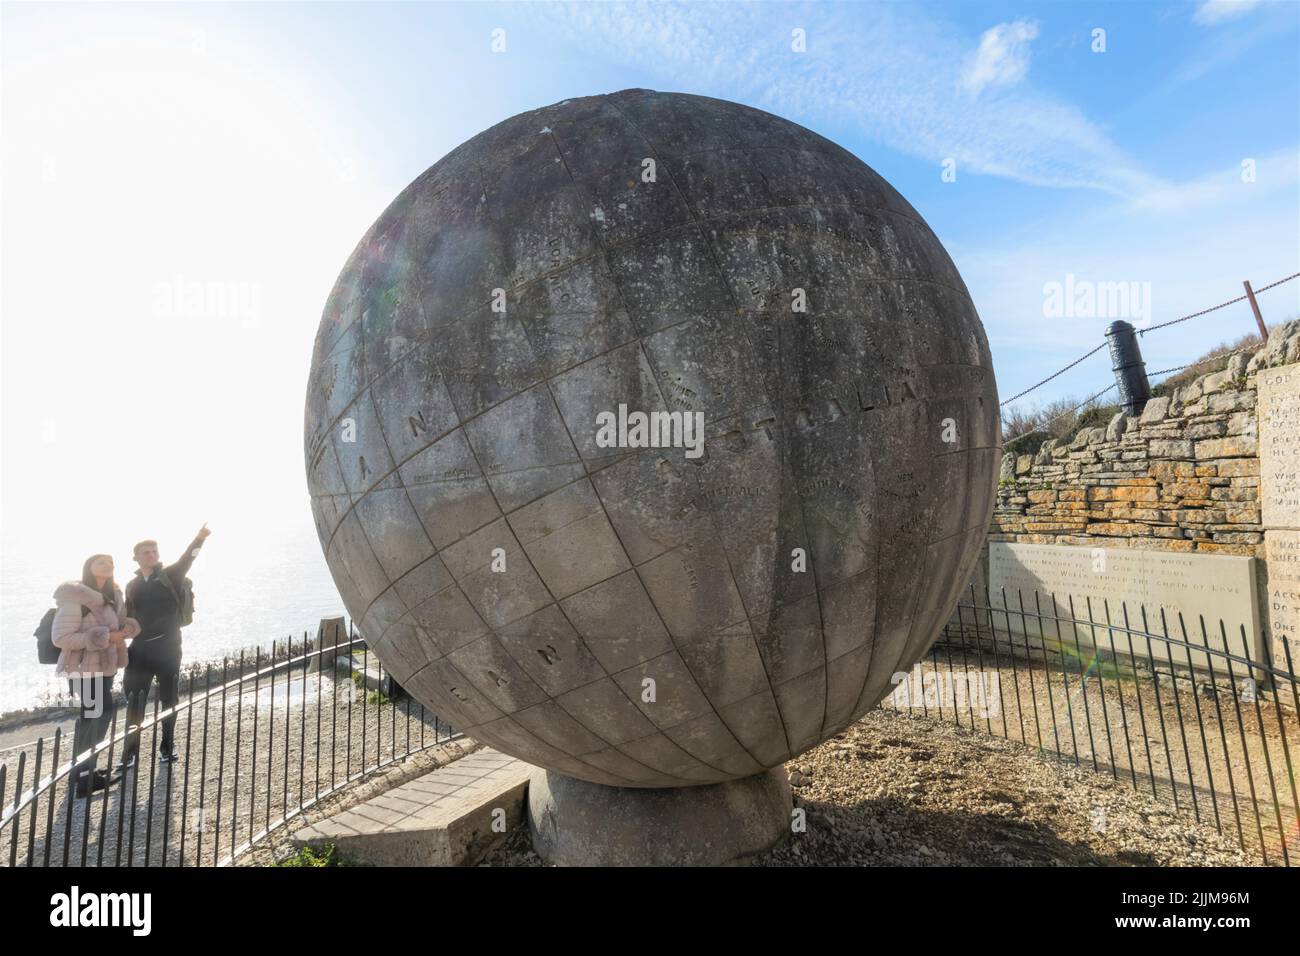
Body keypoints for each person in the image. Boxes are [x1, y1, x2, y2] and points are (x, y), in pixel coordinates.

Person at [119, 523, 211, 767]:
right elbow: (126, 616)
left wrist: (199, 538)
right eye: (145, 552)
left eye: (154, 551)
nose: (151, 555)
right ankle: (130, 752)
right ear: (136, 558)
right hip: (139, 650)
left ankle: (167, 747)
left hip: (168, 649)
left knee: (169, 700)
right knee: (134, 702)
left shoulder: (171, 575)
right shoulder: (132, 585)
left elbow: (187, 558)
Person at [51, 554, 140, 797]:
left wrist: (125, 629)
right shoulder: (76, 598)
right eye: (100, 562)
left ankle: (83, 772)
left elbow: (117, 625)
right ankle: (83, 778)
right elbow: (60, 638)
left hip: (105, 667)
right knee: (97, 716)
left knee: (93, 718)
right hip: (83, 668)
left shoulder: (113, 596)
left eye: (111, 561)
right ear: (88, 568)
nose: (108, 564)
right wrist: (103, 637)